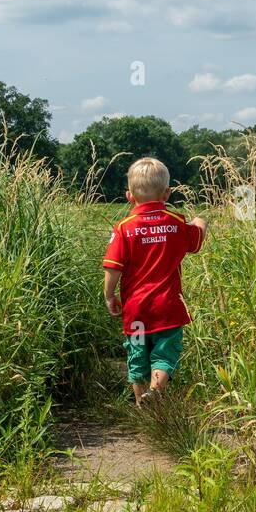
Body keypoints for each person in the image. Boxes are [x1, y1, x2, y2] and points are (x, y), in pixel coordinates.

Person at [102, 157, 207, 404]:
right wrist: (201, 221)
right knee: (164, 355)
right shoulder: (177, 222)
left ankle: (142, 406)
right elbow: (197, 239)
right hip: (168, 309)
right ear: (167, 193)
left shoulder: (124, 228)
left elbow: (112, 268)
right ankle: (155, 394)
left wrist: (109, 296)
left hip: (137, 310)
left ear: (130, 196)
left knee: (137, 355)